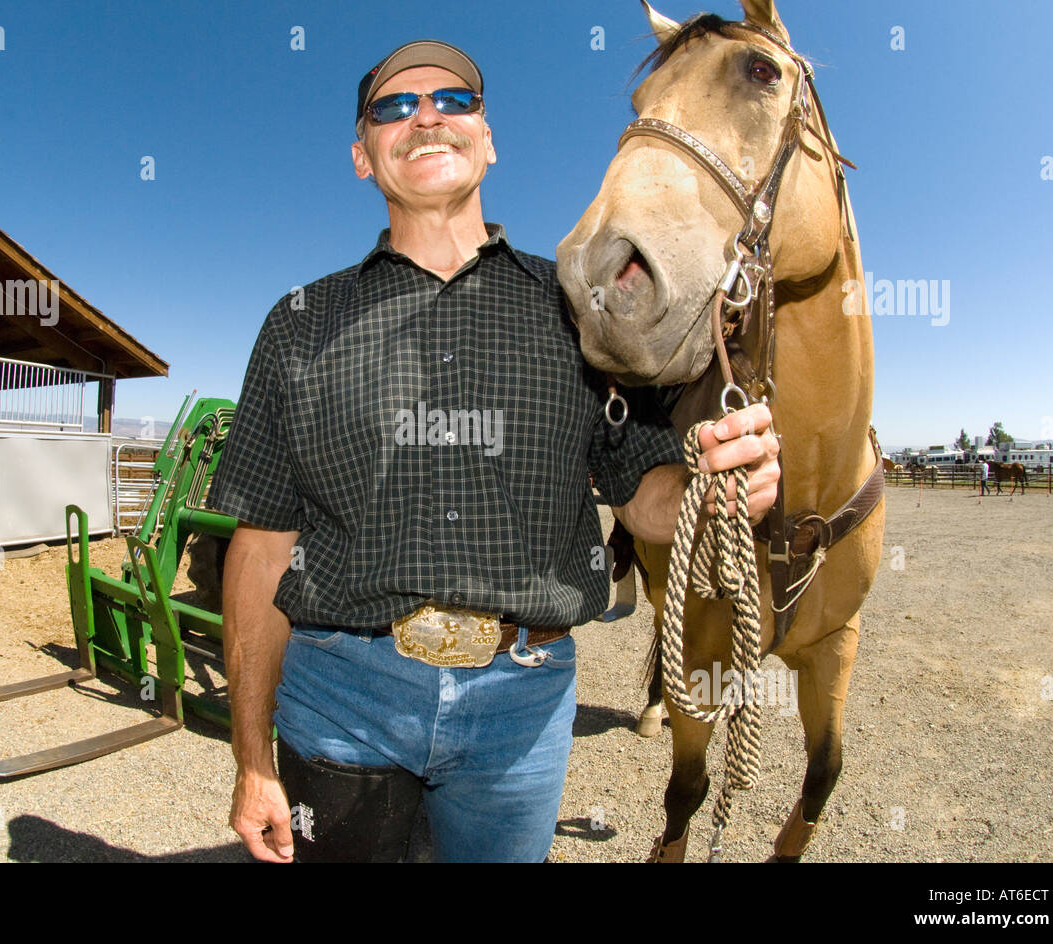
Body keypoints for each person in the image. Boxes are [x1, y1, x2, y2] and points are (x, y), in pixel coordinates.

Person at [207, 39, 780, 863]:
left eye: (452, 100)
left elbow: (641, 494)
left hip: (523, 702)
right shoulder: (299, 323)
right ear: (363, 157)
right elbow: (260, 547)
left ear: (487, 138)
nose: (426, 116)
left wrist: (711, 488)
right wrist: (252, 758)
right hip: (339, 694)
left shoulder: (579, 310)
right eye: (393, 108)